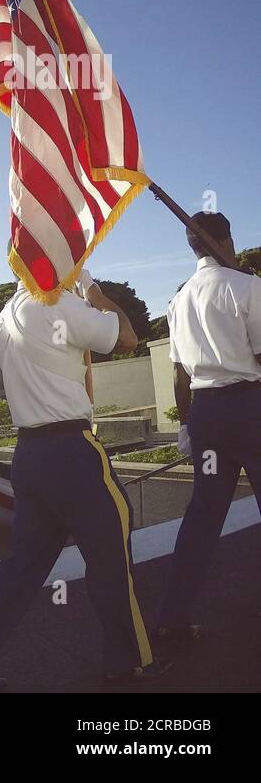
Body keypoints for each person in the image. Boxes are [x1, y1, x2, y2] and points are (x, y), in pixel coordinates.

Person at [0, 266, 169, 689]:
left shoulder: (4, 314)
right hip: (72, 450)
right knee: (110, 553)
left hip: (29, 453)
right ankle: (128, 661)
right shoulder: (56, 302)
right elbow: (127, 338)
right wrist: (93, 290)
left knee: (20, 569)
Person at [156, 212, 261, 646]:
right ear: (226, 239)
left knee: (202, 518)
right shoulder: (248, 286)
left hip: (205, 414)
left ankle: (172, 618)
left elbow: (179, 376)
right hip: (249, 407)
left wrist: (185, 425)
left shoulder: (178, 300)